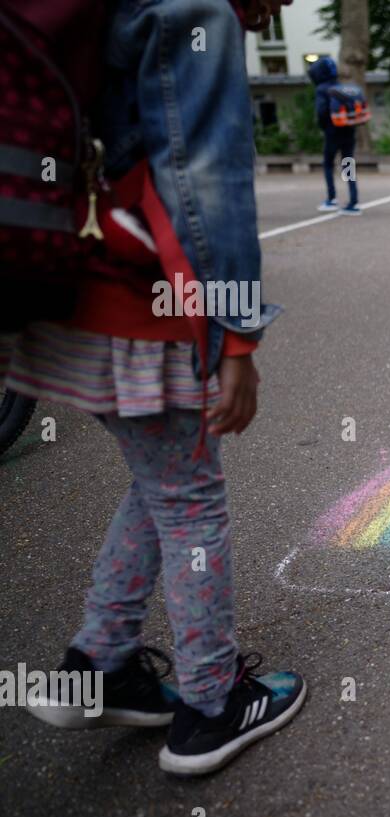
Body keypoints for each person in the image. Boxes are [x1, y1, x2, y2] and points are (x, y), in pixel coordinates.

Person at [1, 0, 305, 775]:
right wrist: (236, 335)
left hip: (62, 277)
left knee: (164, 478)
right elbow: (206, 174)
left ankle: (98, 664)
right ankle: (210, 703)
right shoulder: (195, 8)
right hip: (142, 291)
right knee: (190, 497)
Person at [310, 55, 360, 215]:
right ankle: (353, 202)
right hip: (349, 131)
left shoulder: (321, 89)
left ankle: (331, 199)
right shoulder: (341, 87)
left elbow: (321, 112)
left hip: (332, 133)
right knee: (347, 164)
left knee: (328, 165)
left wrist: (324, 127)